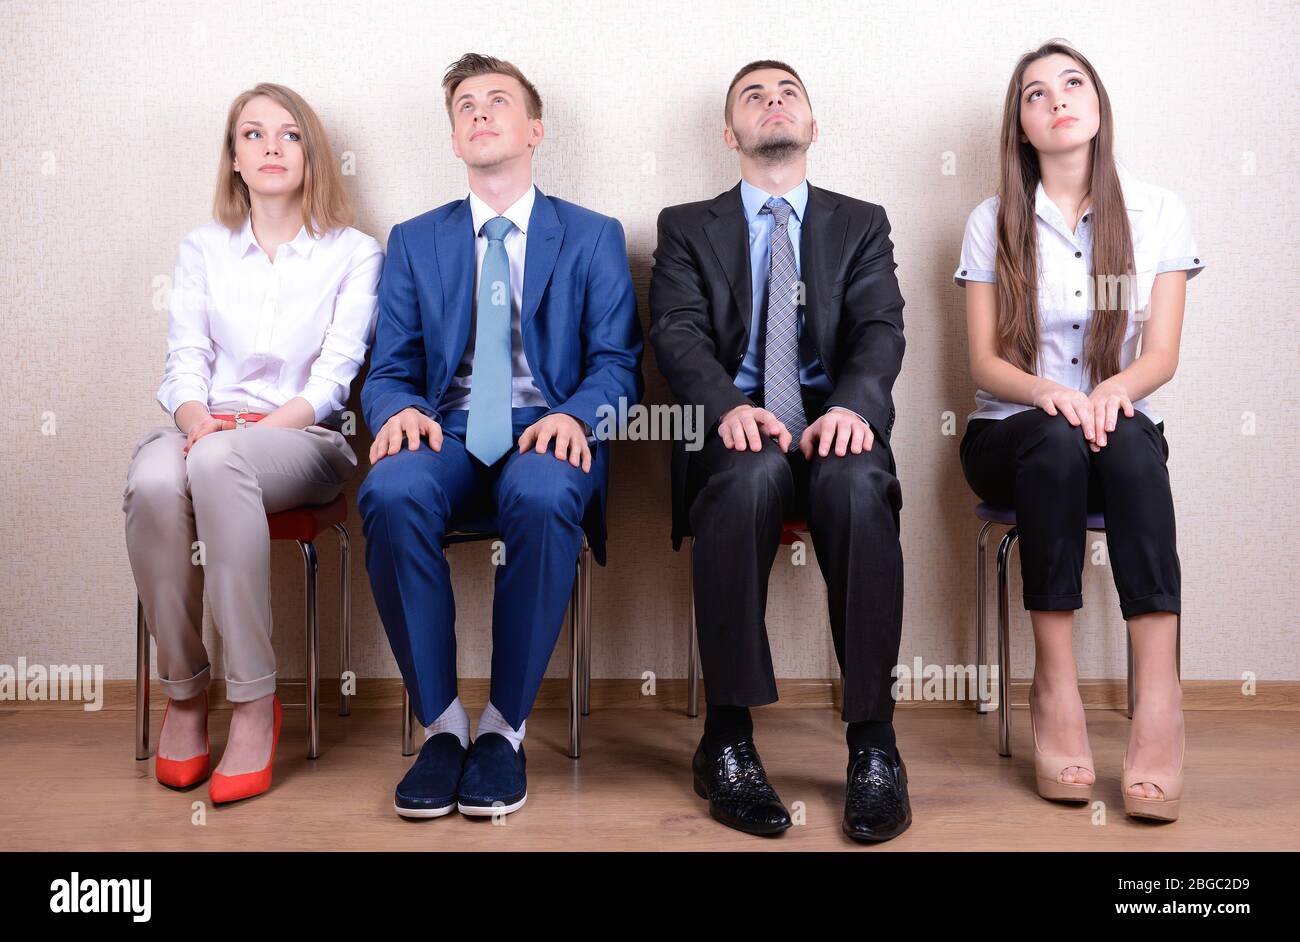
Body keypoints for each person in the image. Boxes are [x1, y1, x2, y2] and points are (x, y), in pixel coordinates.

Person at [359, 54, 642, 820]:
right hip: (446, 430)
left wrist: (577, 415)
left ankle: (505, 729)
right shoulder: (416, 240)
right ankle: (444, 724)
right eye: (465, 107)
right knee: (389, 488)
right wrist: (395, 413)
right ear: (454, 139)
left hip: (547, 430)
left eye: (498, 102)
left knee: (545, 492)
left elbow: (619, 363)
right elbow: (387, 368)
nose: (480, 114)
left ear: (534, 129)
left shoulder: (590, 235)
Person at [649, 60, 910, 842]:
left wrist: (856, 409)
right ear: (731, 134)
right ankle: (725, 737)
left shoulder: (860, 222)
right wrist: (728, 408)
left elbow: (879, 330)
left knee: (858, 486)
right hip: (734, 433)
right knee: (749, 476)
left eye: (787, 92)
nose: (772, 103)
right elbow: (677, 334)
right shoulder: (687, 225)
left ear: (813, 126)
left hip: (835, 427)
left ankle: (873, 744)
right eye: (753, 97)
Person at [954, 40, 1203, 821]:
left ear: (1097, 107)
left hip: (1118, 427)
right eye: (1035, 94)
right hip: (1013, 437)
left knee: (1129, 439)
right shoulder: (991, 220)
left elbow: (1159, 355)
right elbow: (986, 363)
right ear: (1022, 127)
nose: (1057, 99)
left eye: (1072, 84)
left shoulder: (1160, 209)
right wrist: (1051, 396)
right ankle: (1055, 683)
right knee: (1058, 438)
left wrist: (1109, 394)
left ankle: (1158, 695)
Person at [122, 82, 382, 804]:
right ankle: (183, 691)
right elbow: (182, 364)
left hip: (303, 441)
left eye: (289, 134)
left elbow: (334, 380)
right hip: (206, 426)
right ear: (233, 158)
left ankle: (254, 701)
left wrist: (238, 437)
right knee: (150, 482)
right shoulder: (202, 248)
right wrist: (198, 421)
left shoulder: (354, 253)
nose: (272, 147)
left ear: (312, 153)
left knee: (214, 460)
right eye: (253, 135)